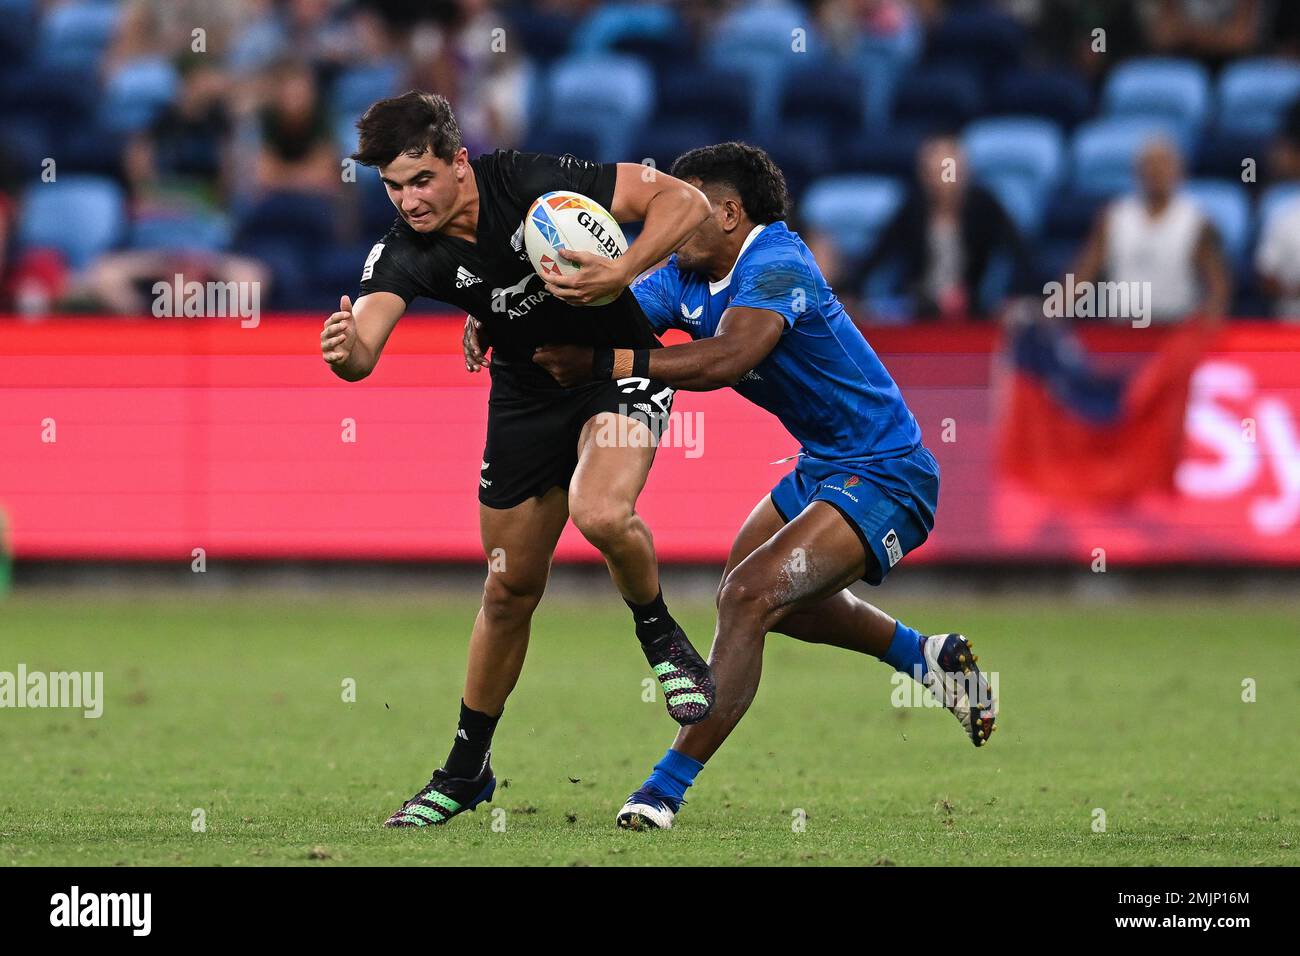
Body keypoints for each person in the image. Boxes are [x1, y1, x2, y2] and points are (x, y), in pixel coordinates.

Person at [515, 142, 997, 830]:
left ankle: (663, 789)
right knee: (765, 600)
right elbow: (609, 312)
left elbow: (729, 356)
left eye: (684, 209)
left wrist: (605, 361)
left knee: (747, 597)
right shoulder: (681, 274)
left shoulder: (776, 261)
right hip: (822, 466)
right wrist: (506, 320)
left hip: (887, 471)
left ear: (730, 213)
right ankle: (925, 655)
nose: (670, 224)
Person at [320, 91, 713, 827]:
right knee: (508, 591)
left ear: (459, 164)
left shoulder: (528, 180)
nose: (409, 201)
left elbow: (684, 202)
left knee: (601, 510)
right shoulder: (408, 250)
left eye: (422, 180)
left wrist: (618, 271)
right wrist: (346, 353)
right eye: (394, 187)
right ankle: (466, 771)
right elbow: (366, 344)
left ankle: (659, 635)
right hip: (526, 399)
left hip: (617, 371)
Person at [1071, 137, 1231, 324]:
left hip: (1174, 329)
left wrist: (1208, 326)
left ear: (1179, 170)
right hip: (1122, 330)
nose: (1156, 171)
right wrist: (1054, 310)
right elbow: (1085, 271)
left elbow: (1217, 285)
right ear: (1137, 171)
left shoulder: (1197, 222)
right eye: (1150, 165)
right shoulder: (1113, 217)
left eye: (1163, 164)